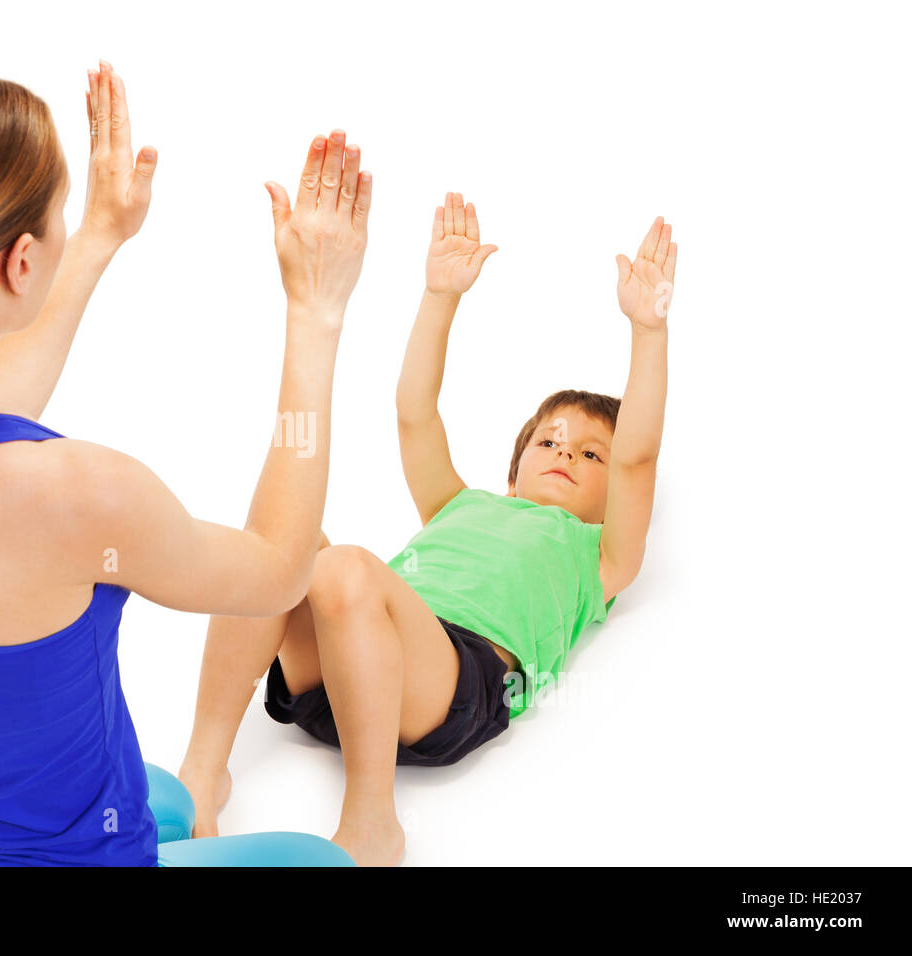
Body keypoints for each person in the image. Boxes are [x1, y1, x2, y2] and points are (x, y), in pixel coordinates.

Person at [0, 61, 371, 865]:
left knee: (171, 799)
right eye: (58, 218)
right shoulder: (82, 496)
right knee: (317, 861)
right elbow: (282, 567)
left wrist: (94, 237)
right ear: (17, 265)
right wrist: (315, 311)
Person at [177, 198, 675, 866]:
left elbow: (639, 455)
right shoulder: (458, 503)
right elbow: (415, 413)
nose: (565, 453)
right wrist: (439, 296)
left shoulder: (600, 555)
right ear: (514, 467)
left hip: (450, 688)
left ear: (615, 498)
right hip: (338, 669)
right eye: (551, 440)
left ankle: (371, 820)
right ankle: (203, 771)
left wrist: (648, 332)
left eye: (591, 455)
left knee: (345, 568)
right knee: (283, 536)